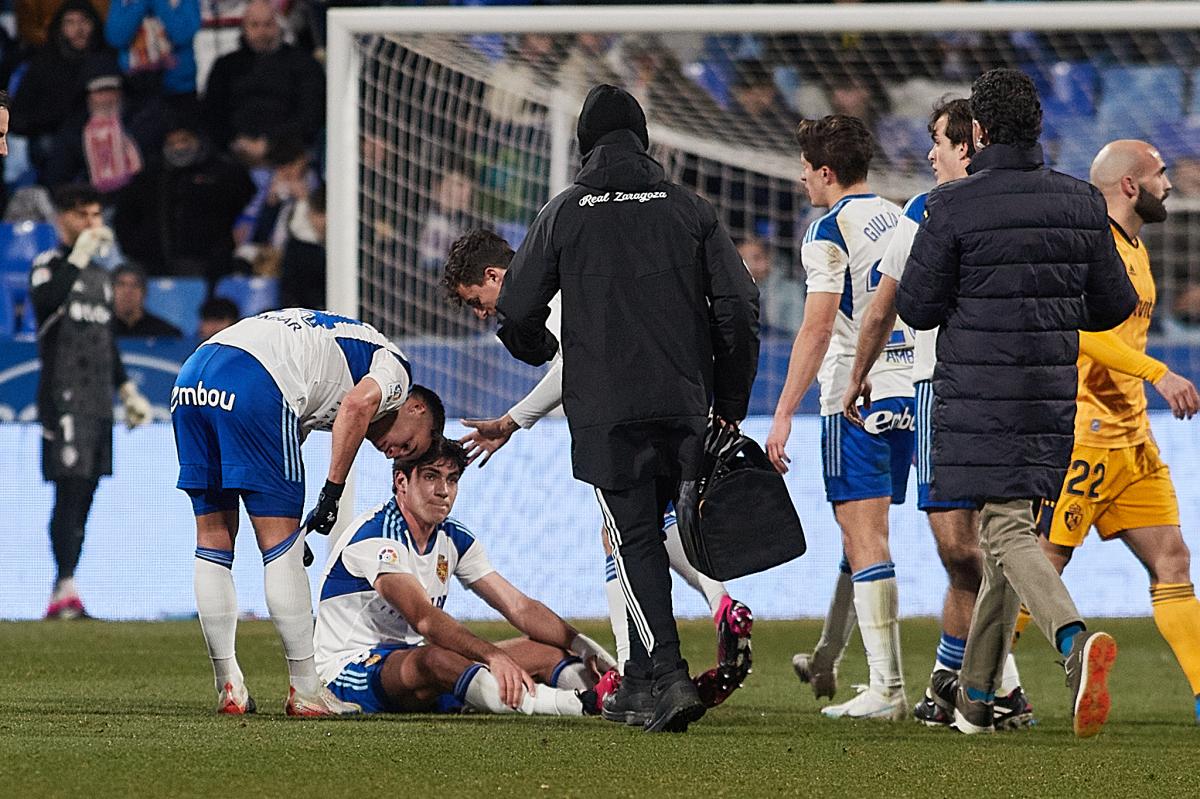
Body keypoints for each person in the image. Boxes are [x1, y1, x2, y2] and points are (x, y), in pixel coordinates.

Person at [493, 84, 759, 733]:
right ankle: (640, 681)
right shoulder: (689, 208)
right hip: (684, 403)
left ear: (584, 145)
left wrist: (544, 348)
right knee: (659, 531)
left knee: (634, 538)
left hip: (608, 410)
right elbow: (740, 308)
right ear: (643, 140)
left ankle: (668, 675)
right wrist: (729, 401)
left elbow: (514, 309)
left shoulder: (565, 211)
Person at [895, 68, 1138, 738]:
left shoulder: (951, 206)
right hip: (1052, 393)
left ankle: (1072, 641)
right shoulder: (1080, 201)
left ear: (978, 131)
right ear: (1037, 127)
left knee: (1003, 530)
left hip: (980, 393)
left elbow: (917, 307)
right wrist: (1051, 307)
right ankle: (976, 696)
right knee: (1011, 536)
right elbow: (1114, 304)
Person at [441, 229, 755, 711]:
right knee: (658, 523)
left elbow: (576, 367)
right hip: (678, 395)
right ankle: (720, 604)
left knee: (622, 535)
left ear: (494, 275)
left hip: (625, 419)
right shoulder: (583, 271)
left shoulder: (554, 288)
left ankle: (630, 673)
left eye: (476, 301)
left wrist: (511, 421)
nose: (482, 314)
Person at [835, 98, 1032, 729]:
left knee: (977, 548)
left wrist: (855, 377)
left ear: (967, 145)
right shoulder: (924, 209)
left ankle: (981, 682)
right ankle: (969, 685)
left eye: (939, 142)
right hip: (954, 389)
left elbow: (882, 307)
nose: (930, 154)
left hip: (975, 390)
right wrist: (861, 372)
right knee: (964, 552)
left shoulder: (951, 209)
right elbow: (883, 305)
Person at [172, 307, 444, 716]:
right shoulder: (398, 372)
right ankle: (306, 690)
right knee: (279, 548)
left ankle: (228, 684)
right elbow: (356, 406)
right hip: (258, 379)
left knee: (213, 537)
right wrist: (331, 494)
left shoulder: (331, 363)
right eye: (408, 446)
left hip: (193, 376)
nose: (393, 453)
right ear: (418, 410)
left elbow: (281, 440)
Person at [1027, 139, 1200, 725]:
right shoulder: (1088, 245)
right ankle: (981, 683)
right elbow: (1077, 332)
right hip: (1084, 435)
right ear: (1130, 185)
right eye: (1160, 174)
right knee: (1042, 565)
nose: (1169, 184)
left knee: (1173, 560)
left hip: (1133, 440)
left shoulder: (1134, 245)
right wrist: (1157, 373)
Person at [766, 114, 914, 721]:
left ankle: (888, 688)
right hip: (912, 392)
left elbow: (819, 327)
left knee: (863, 535)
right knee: (866, 536)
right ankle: (830, 654)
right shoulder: (901, 216)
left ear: (826, 172)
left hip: (855, 397)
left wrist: (782, 414)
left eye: (805, 168)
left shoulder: (828, 230)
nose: (801, 178)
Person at [315, 436, 618, 716]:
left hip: (410, 667)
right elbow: (424, 618)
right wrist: (491, 656)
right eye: (431, 477)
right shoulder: (378, 536)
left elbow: (519, 607)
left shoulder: (453, 537)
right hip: (348, 671)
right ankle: (577, 705)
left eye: (452, 479)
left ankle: (612, 696)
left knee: (546, 651)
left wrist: (584, 646)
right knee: (435, 659)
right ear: (401, 482)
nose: (443, 491)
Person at [30, 183, 152, 619]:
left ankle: (66, 587)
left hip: (98, 400)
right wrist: (78, 255)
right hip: (63, 398)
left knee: (87, 492)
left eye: (96, 215)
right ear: (62, 218)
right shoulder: (48, 265)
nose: (91, 223)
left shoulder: (102, 278)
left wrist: (126, 389)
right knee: (69, 489)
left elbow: (105, 339)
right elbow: (45, 304)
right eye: (82, 215)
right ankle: (64, 584)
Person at [201, 0, 324, 154]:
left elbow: (311, 114)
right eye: (254, 25)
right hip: (235, 152)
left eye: (268, 24)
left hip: (290, 151)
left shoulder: (303, 64)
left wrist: (271, 143)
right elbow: (213, 114)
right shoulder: (225, 66)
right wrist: (238, 142)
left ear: (278, 26)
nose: (262, 32)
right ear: (244, 28)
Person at [9, 0, 111, 179]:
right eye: (70, 22)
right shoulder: (44, 63)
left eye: (84, 21)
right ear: (60, 27)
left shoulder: (106, 60)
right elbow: (19, 117)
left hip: (102, 136)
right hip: (52, 137)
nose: (78, 29)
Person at [111, 262, 182, 337]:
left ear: (144, 292)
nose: (128, 291)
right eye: (121, 284)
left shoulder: (166, 333)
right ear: (110, 291)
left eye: (135, 285)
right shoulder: (104, 329)